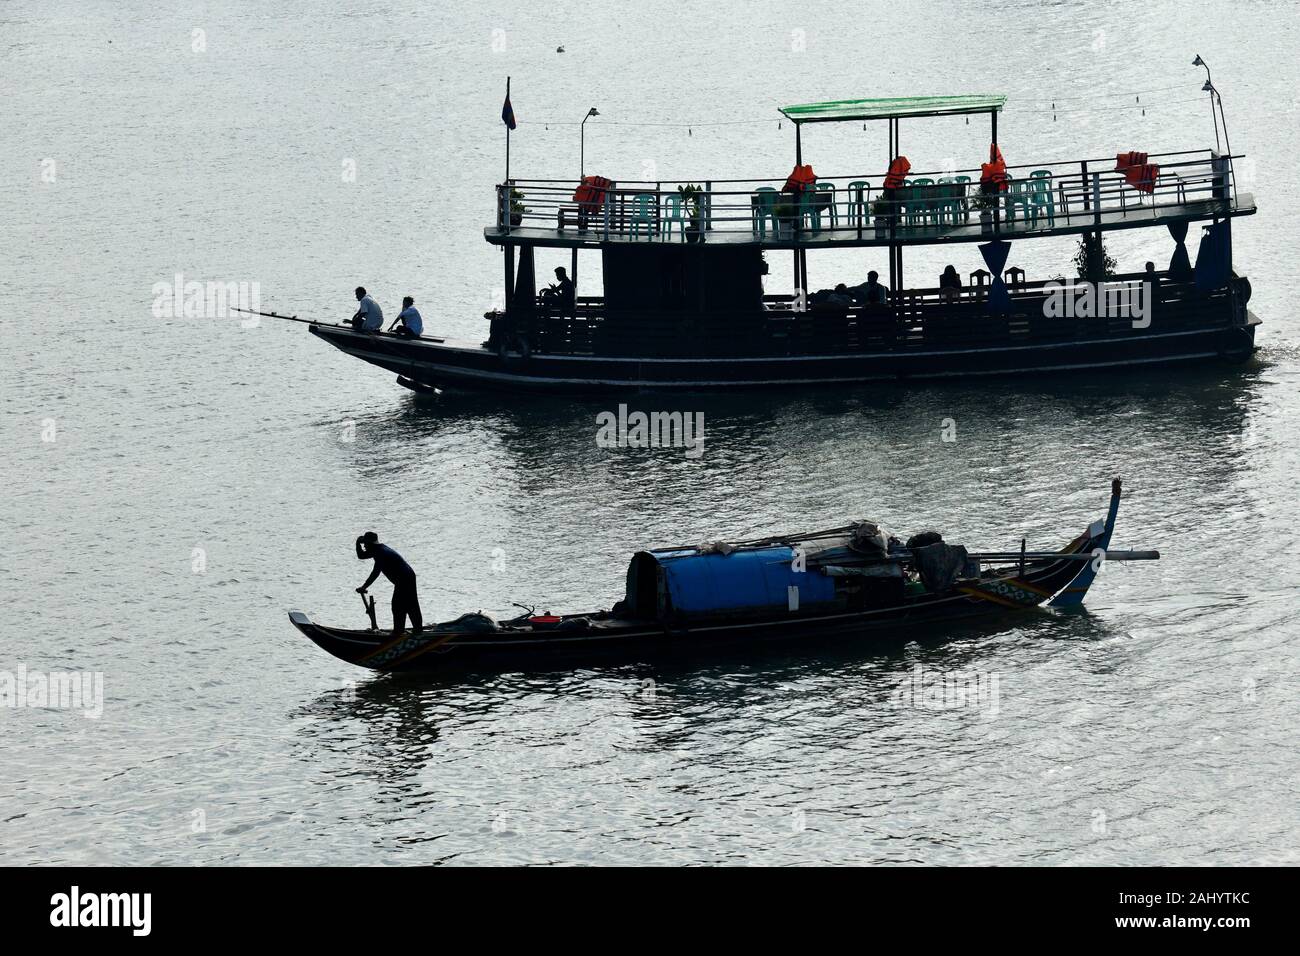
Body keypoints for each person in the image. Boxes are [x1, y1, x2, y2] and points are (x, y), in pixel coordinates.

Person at [355, 532, 422, 636]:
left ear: (370, 544)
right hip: (407, 577)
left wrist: (364, 586)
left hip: (404, 579)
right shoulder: (376, 549)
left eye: (365, 544)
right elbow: (361, 556)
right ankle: (414, 630)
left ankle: (401, 632)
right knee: (408, 604)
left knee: (400, 605)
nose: (364, 546)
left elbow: (375, 572)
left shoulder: (380, 552)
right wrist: (357, 544)